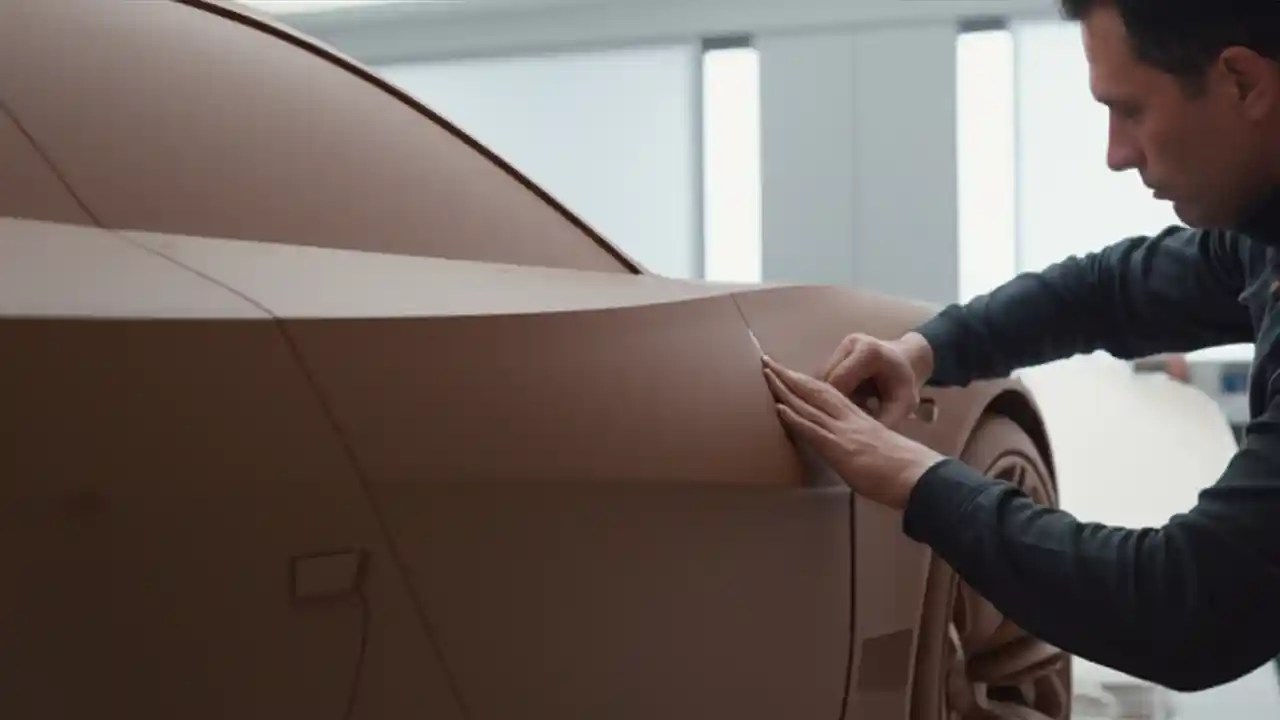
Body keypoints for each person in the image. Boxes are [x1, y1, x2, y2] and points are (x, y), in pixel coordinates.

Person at [762, 0, 1280, 693]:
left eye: (1130, 110)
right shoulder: (1261, 240)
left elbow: (1183, 607)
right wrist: (927, 349)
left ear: (1243, 83)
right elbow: (1109, 292)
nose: (1115, 155)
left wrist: (917, 482)